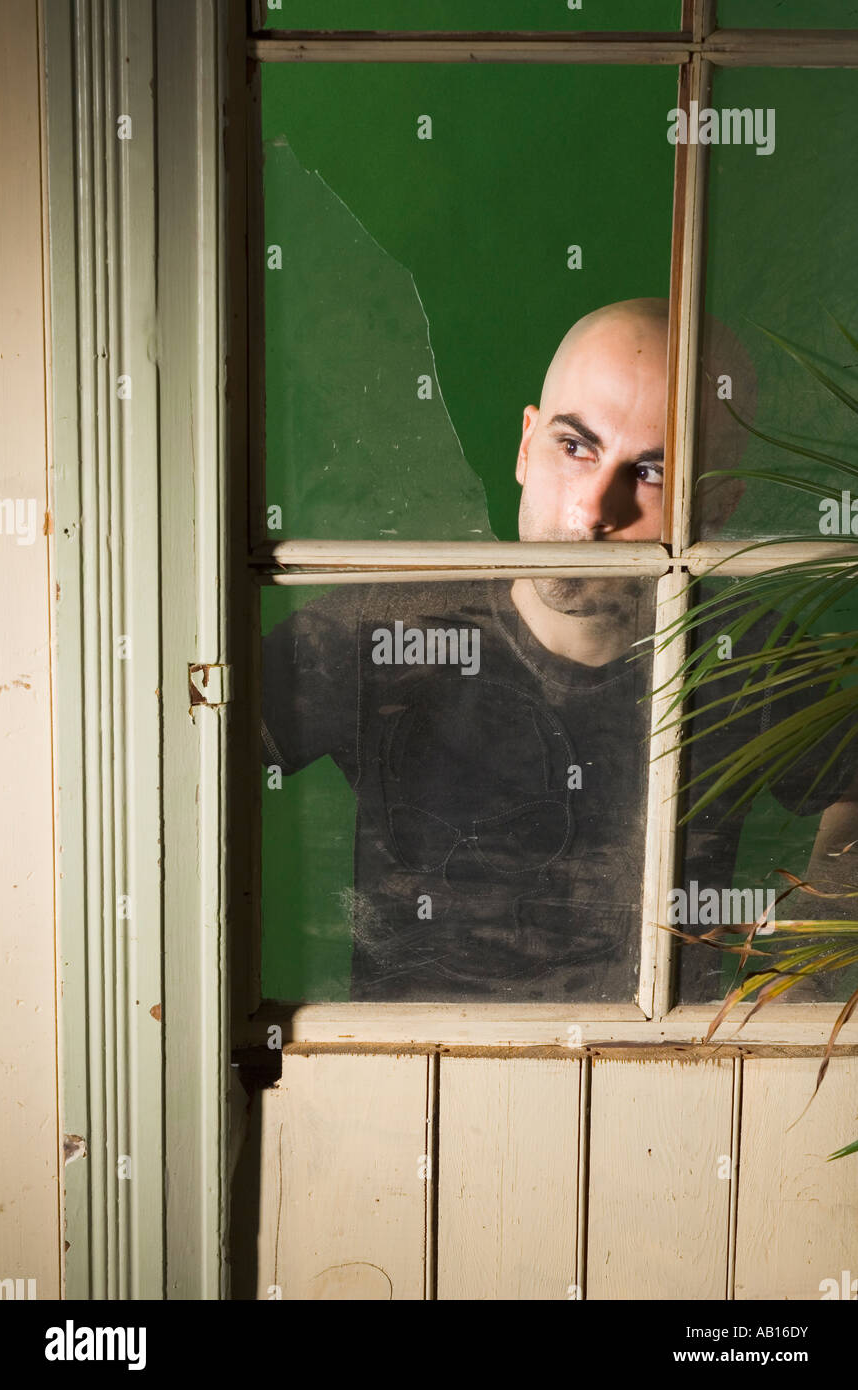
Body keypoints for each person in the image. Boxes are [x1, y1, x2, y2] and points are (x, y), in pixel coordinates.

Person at [261, 298, 858, 1003]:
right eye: (574, 448)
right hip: (412, 1081)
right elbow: (175, 765)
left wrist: (804, 966)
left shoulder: (745, 651)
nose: (592, 510)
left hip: (664, 1088)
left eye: (651, 473)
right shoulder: (376, 630)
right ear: (524, 446)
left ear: (718, 507)